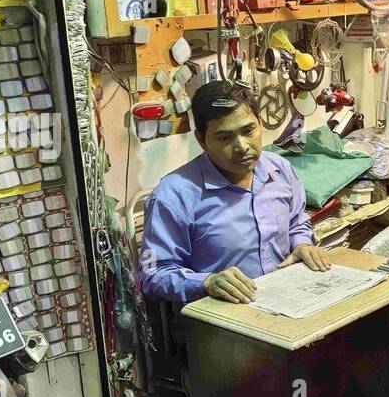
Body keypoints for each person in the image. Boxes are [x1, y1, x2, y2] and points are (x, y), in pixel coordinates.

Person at [139, 79, 330, 305]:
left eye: (248, 130)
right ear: (202, 140)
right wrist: (207, 283)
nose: (242, 146)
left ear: (260, 123)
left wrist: (302, 244)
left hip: (286, 302)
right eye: (224, 137)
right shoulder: (173, 196)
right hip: (222, 322)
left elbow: (297, 221)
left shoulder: (279, 169)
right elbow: (152, 274)